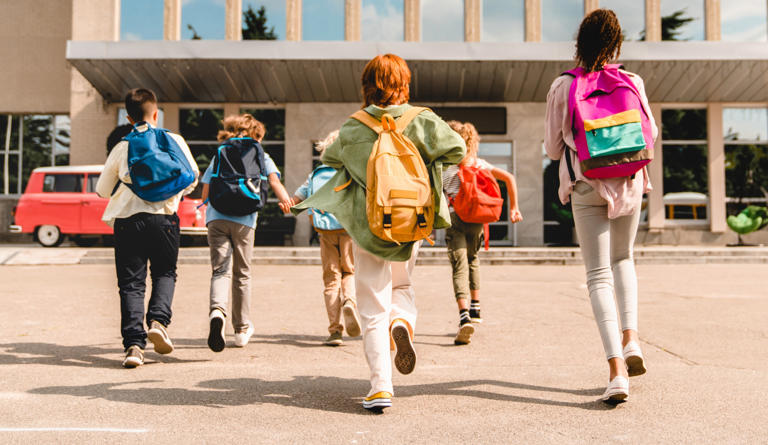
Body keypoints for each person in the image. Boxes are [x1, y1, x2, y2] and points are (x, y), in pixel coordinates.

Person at [292, 54, 466, 412]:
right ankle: (401, 321)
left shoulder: (354, 127)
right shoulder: (423, 120)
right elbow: (457, 149)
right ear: (405, 83)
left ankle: (380, 386)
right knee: (402, 285)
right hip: (412, 222)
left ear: (367, 85)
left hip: (370, 225)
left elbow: (330, 161)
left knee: (372, 305)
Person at [544, 9, 657, 403]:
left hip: (586, 183)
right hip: (628, 181)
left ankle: (616, 372)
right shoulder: (632, 80)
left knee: (597, 276)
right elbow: (651, 134)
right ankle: (632, 339)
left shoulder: (563, 85)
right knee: (624, 260)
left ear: (580, 42)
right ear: (616, 45)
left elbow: (553, 148)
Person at [96, 88, 199, 368]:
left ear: (129, 117)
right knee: (165, 272)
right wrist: (169, 195)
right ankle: (158, 321)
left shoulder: (122, 146)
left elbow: (102, 190)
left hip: (128, 220)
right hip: (165, 219)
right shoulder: (173, 140)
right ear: (156, 113)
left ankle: (133, 347)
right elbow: (192, 177)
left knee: (131, 284)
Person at [200, 114, 292, 352]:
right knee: (242, 274)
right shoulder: (261, 153)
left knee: (220, 271)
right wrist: (287, 203)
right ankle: (241, 330)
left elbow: (205, 192)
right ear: (256, 135)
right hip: (245, 220)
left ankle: (217, 312)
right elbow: (274, 182)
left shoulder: (220, 151)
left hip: (217, 217)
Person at [442, 121, 523, 345]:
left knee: (459, 265)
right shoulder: (480, 164)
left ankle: (464, 315)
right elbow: (510, 178)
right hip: (477, 220)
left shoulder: (447, 166)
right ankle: (476, 308)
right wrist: (514, 208)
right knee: (473, 259)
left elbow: (437, 195)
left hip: (456, 220)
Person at [284, 130, 361, 347]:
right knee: (350, 272)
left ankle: (335, 331)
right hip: (348, 229)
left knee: (331, 278)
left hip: (325, 232)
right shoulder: (350, 172)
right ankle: (349, 301)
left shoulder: (316, 174)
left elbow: (296, 199)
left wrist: (288, 204)